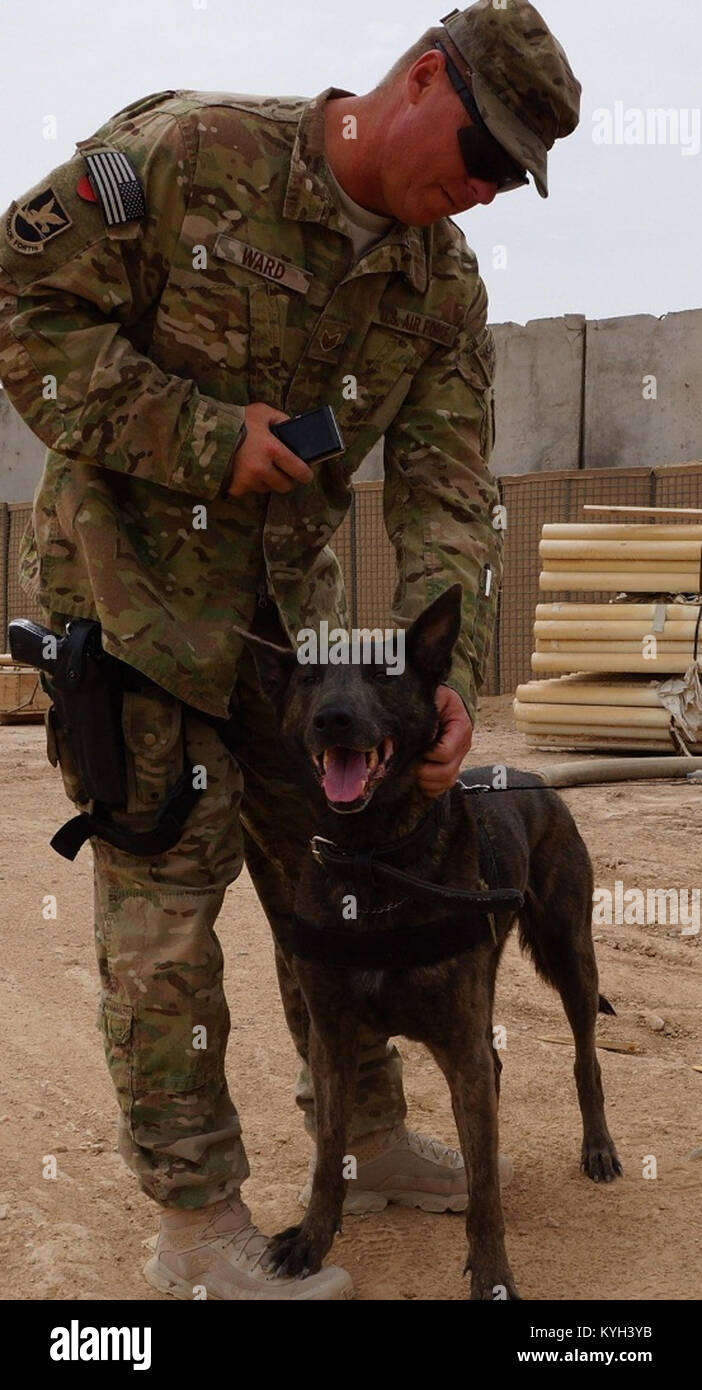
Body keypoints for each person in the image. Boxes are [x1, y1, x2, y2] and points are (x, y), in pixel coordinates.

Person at [0, 1, 580, 1299]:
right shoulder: (185, 151)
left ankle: (367, 1134)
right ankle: (197, 1225)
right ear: (421, 77)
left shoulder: (437, 286)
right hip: (134, 614)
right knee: (165, 922)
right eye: (481, 153)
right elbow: (22, 309)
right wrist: (203, 436)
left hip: (296, 648)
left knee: (345, 878)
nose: (481, 193)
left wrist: (437, 686)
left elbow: (443, 491)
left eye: (508, 182)